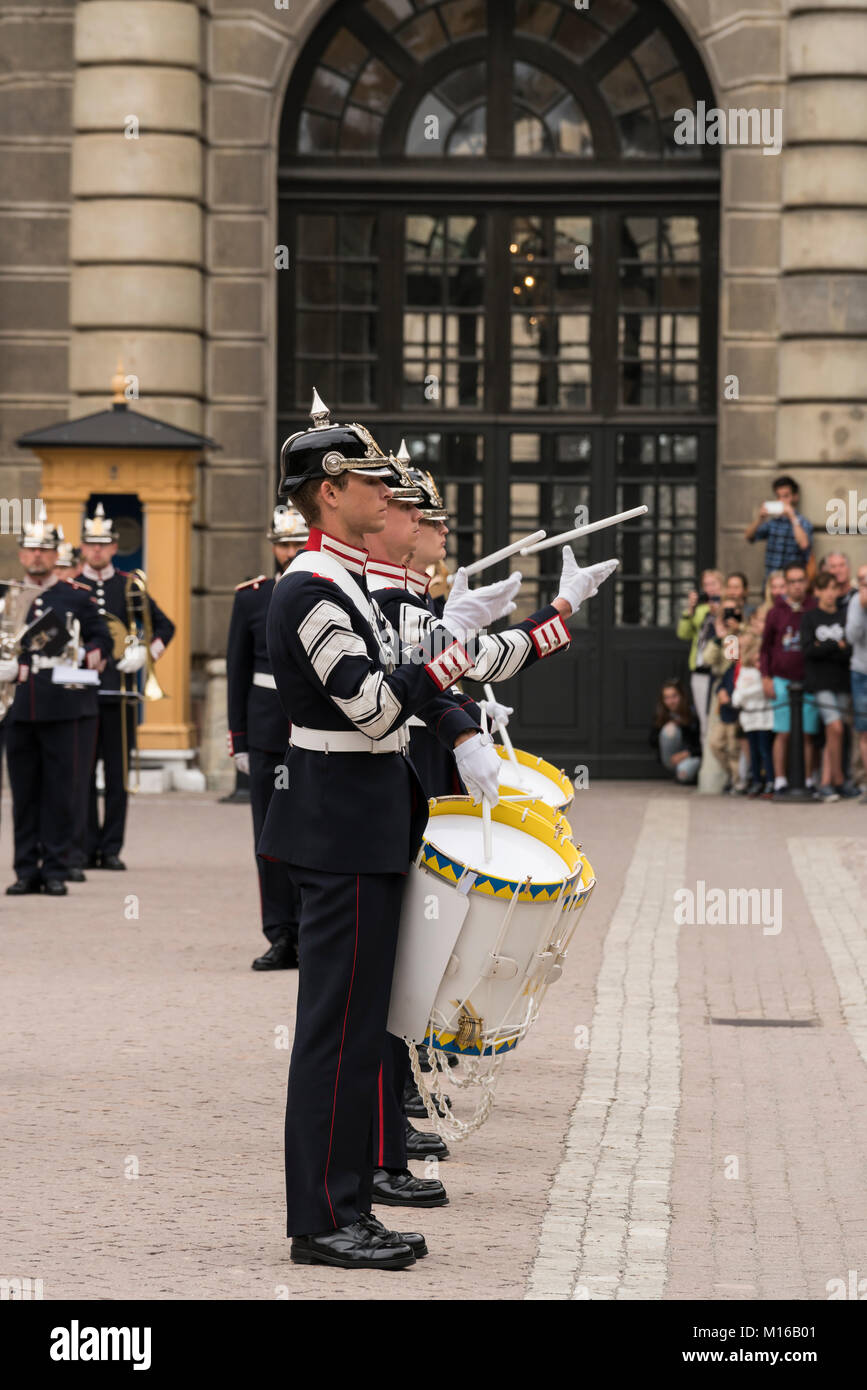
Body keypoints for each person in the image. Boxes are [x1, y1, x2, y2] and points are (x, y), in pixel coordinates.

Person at [258, 391, 604, 1270]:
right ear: (330, 492)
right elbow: (376, 710)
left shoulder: (345, 584)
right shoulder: (310, 590)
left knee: (369, 1014)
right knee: (338, 1028)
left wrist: (555, 626)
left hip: (365, 818)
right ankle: (323, 1217)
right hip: (337, 816)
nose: (389, 496)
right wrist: (443, 661)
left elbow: (454, 664)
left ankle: (346, 1204)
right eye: (373, 482)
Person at [3, 509, 111, 895]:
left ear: (55, 555)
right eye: (31, 550)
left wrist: (91, 652)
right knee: (24, 794)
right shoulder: (9, 596)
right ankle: (25, 869)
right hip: (18, 707)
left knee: (61, 792)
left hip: (65, 707)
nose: (37, 557)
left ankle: (56, 868)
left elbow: (102, 639)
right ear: (21, 555)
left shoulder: (75, 596)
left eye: (44, 551)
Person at [226, 504, 308, 971]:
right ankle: (280, 933)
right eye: (284, 543)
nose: (290, 551)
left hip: (316, 737)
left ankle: (312, 928)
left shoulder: (329, 590)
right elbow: (237, 672)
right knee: (269, 838)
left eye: (298, 543)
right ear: (273, 545)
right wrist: (238, 738)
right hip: (268, 736)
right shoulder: (251, 597)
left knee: (313, 835)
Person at [78, 504, 175, 870]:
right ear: (84, 548)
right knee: (83, 775)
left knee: (117, 777)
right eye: (92, 544)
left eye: (104, 544)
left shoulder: (129, 585)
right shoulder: (74, 587)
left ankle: (111, 848)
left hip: (119, 693)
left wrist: (145, 655)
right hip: (83, 693)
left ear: (114, 547)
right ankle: (86, 847)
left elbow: (165, 627)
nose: (98, 550)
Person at [759, 561, 818, 796]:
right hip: (782, 679)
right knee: (782, 733)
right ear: (785, 584)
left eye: (799, 581)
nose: (796, 586)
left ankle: (807, 780)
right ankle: (780, 779)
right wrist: (766, 677)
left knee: (807, 734)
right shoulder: (775, 611)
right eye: (791, 581)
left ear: (806, 582)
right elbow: (765, 648)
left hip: (808, 679)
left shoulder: (813, 608)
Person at [801, 572, 853, 802]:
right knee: (835, 728)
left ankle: (827, 782)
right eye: (826, 589)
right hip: (820, 683)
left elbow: (849, 651)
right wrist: (835, 645)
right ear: (817, 592)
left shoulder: (845, 616)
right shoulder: (810, 617)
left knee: (836, 732)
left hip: (841, 681)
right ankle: (837, 779)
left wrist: (825, 646)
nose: (830, 593)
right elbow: (809, 650)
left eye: (834, 588)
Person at [676, 569, 723, 741]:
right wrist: (690, 608)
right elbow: (683, 633)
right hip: (700, 669)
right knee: (704, 719)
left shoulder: (728, 607)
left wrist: (716, 610)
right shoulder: (701, 609)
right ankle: (707, 767)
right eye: (706, 585)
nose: (710, 589)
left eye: (713, 584)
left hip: (720, 671)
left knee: (720, 721)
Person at [744, 475, 814, 579]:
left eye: (786, 496)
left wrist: (792, 516)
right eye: (778, 496)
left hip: (792, 583)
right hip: (771, 582)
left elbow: (804, 545)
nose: (781, 500)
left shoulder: (803, 523)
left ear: (795, 497)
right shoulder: (773, 522)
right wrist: (760, 519)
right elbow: (749, 537)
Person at [732, 634, 774, 797]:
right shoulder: (744, 670)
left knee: (765, 750)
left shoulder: (765, 673)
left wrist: (744, 694)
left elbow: (760, 690)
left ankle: (770, 780)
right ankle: (756, 780)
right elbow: (738, 690)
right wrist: (740, 697)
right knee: (753, 752)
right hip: (749, 719)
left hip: (764, 718)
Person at [845, 564, 867, 805]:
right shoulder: (855, 604)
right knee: (864, 730)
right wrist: (862, 608)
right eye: (861, 581)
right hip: (862, 672)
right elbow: (851, 637)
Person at [650, 680, 701, 784]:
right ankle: (679, 771)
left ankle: (688, 773)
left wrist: (687, 753)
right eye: (667, 698)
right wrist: (666, 726)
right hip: (671, 759)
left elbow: (701, 746)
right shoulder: (661, 715)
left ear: (682, 696)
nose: (671, 701)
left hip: (691, 756)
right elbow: (652, 741)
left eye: (674, 696)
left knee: (684, 774)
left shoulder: (693, 715)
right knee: (669, 729)